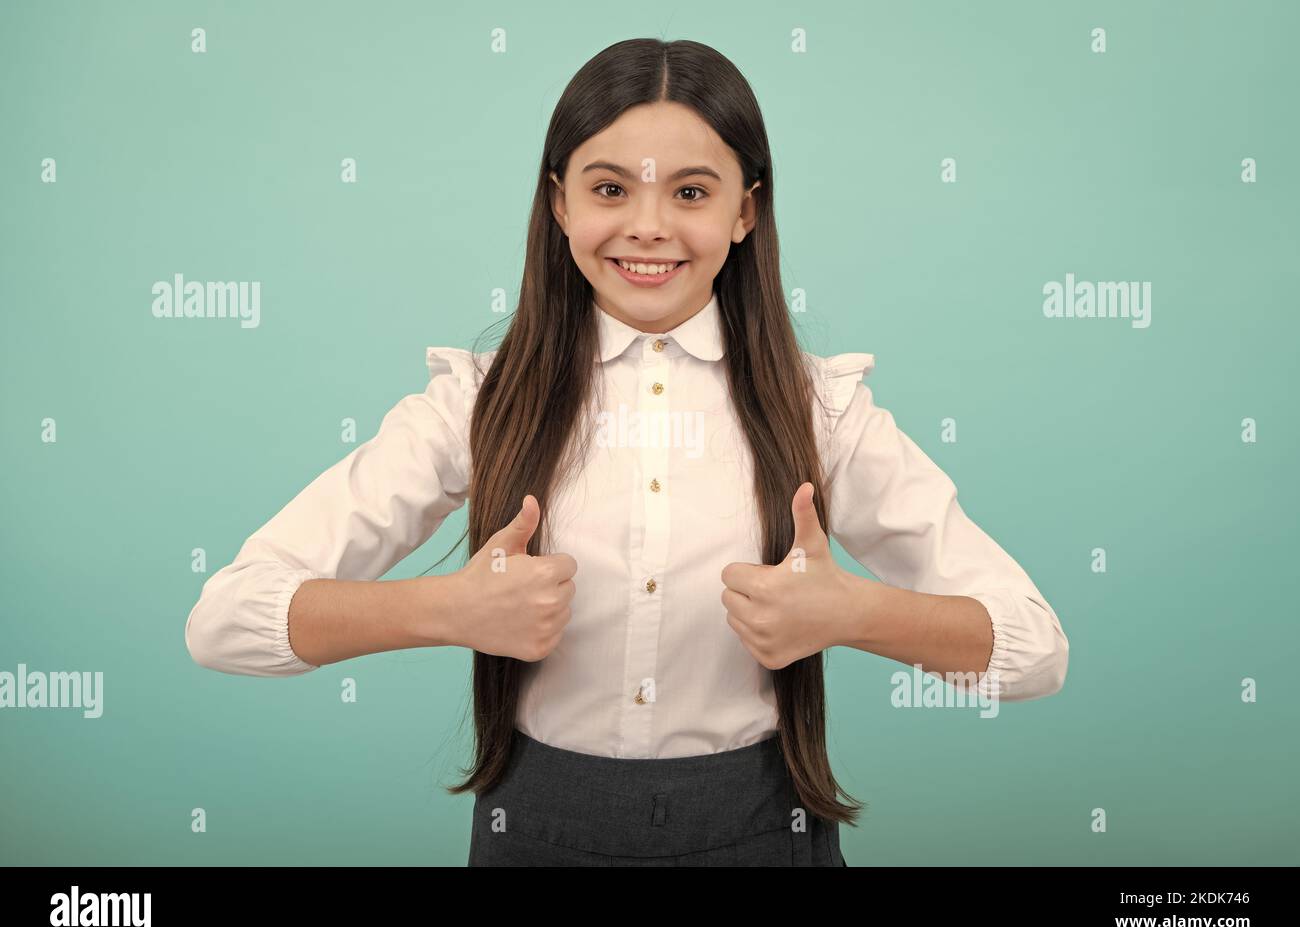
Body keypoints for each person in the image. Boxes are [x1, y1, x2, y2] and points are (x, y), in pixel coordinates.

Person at [185, 38, 1069, 867]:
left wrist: (849, 614)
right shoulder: (475, 401)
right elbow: (226, 619)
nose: (648, 227)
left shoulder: (822, 409)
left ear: (744, 212)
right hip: (533, 832)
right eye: (610, 189)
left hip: (766, 833)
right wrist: (445, 610)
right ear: (560, 199)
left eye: (690, 193)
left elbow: (1034, 649)